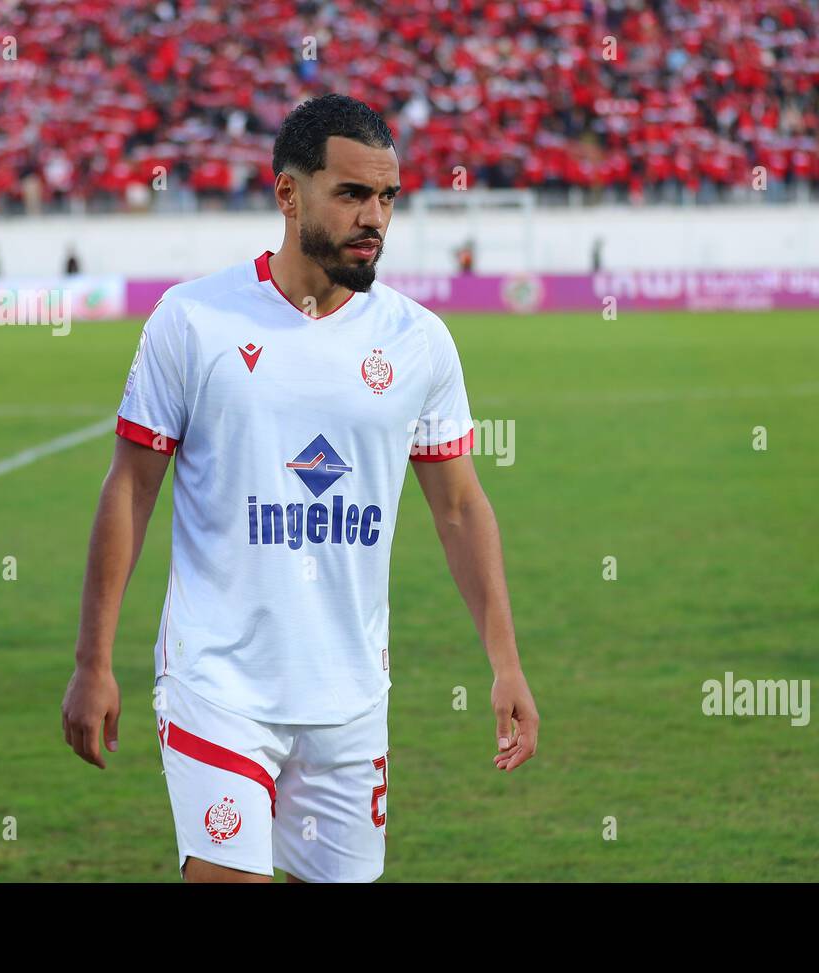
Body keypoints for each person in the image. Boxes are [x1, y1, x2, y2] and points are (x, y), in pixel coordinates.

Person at [60, 94, 539, 884]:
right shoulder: (193, 321)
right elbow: (131, 489)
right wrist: (93, 660)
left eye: (387, 197)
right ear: (288, 194)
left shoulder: (419, 342)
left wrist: (506, 662)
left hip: (349, 696)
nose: (374, 217)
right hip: (218, 683)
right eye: (351, 194)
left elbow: (458, 506)